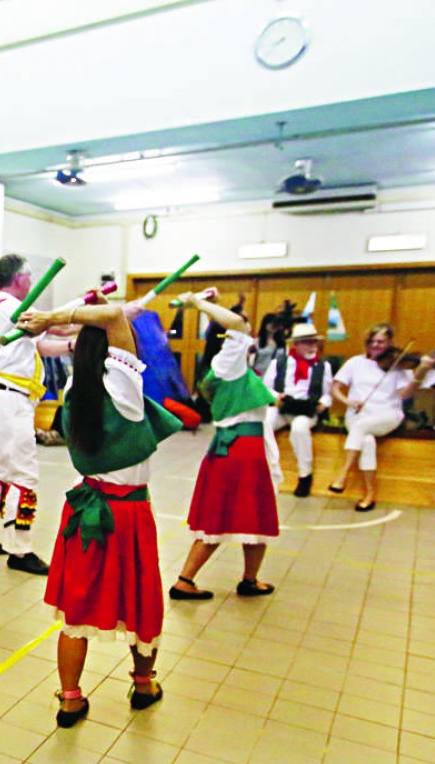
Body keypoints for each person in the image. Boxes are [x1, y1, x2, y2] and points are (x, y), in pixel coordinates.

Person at [18, 295, 181, 726]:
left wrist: (80, 314)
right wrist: (57, 316)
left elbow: (107, 316)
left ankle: (70, 697)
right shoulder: (125, 385)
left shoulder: (76, 389)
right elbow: (111, 317)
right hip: (126, 514)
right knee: (140, 601)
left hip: (85, 509)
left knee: (77, 611)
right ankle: (143, 685)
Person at [168, 290, 279, 601]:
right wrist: (198, 303)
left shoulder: (230, 366)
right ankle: (185, 580)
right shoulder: (229, 360)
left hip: (239, 449)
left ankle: (249, 578)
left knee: (252, 515)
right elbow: (237, 325)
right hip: (241, 451)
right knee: (223, 519)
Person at [0, 254, 72, 575]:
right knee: (24, 473)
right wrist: (110, 315)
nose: (31, 280)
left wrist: (72, 345)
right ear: (20, 278)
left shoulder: (4, 309)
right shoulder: (11, 308)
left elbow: (40, 346)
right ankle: (19, 548)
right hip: (10, 400)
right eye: (29, 275)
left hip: (5, 397)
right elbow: (61, 323)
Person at [327, 323, 432, 511]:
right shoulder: (355, 362)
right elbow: (335, 388)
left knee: (361, 428)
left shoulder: (398, 365)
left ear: (390, 343)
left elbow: (405, 395)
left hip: (388, 415)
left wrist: (421, 371)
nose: (376, 345)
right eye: (372, 341)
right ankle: (369, 494)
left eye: (381, 342)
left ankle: (343, 474)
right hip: (357, 415)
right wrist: (348, 402)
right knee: (366, 441)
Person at [263, 322, 333, 497]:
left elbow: (328, 393)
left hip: (306, 410)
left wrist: (323, 403)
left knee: (300, 428)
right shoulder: (278, 363)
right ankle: (262, 470)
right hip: (282, 408)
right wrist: (276, 396)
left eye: (313, 342)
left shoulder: (323, 366)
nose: (311, 346)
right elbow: (266, 388)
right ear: (295, 345)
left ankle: (305, 475)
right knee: (262, 423)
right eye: (306, 342)